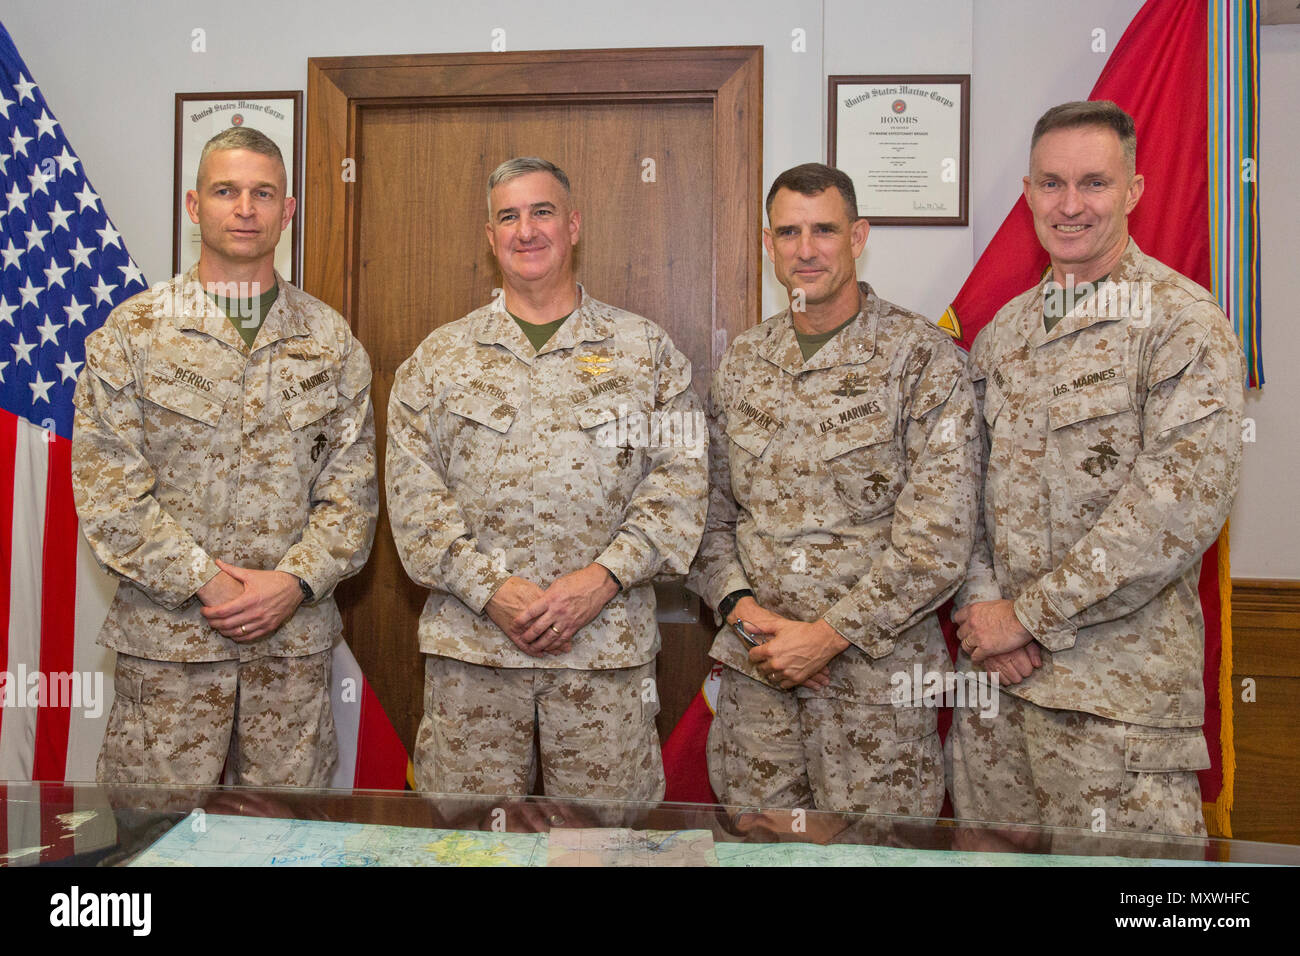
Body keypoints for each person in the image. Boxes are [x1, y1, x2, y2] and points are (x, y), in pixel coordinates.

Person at [948, 100, 1245, 836]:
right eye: (1051, 184)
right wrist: (984, 610)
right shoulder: (1003, 335)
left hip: (1117, 709)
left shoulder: (1183, 324)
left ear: (1134, 190)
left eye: (1094, 183)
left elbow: (1176, 512)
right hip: (997, 701)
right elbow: (961, 493)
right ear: (1027, 193)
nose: (1070, 204)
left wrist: (1027, 619)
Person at [386, 157, 707, 799]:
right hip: (473, 657)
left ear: (574, 225)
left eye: (542, 212)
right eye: (509, 215)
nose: (526, 230)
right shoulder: (438, 359)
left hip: (604, 656)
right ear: (489, 234)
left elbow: (680, 488)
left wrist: (600, 580)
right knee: (467, 846)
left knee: (606, 847)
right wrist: (493, 591)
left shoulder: (646, 353)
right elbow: (414, 502)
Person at [73, 127, 378, 786]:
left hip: (291, 664)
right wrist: (213, 585)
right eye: (226, 191)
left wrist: (291, 584)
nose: (245, 208)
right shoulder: (133, 335)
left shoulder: (332, 344)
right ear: (194, 205)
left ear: (287, 210)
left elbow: (352, 502)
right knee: (149, 850)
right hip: (168, 660)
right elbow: (109, 499)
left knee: (290, 849)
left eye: (263, 193)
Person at [686, 163, 980, 813]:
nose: (806, 248)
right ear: (769, 245)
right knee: (759, 859)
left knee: (877, 863)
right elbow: (707, 517)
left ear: (858, 236)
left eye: (824, 229)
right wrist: (740, 608)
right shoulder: (742, 363)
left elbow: (941, 539)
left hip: (876, 691)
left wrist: (826, 636)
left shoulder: (921, 359)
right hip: (757, 685)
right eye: (788, 232)